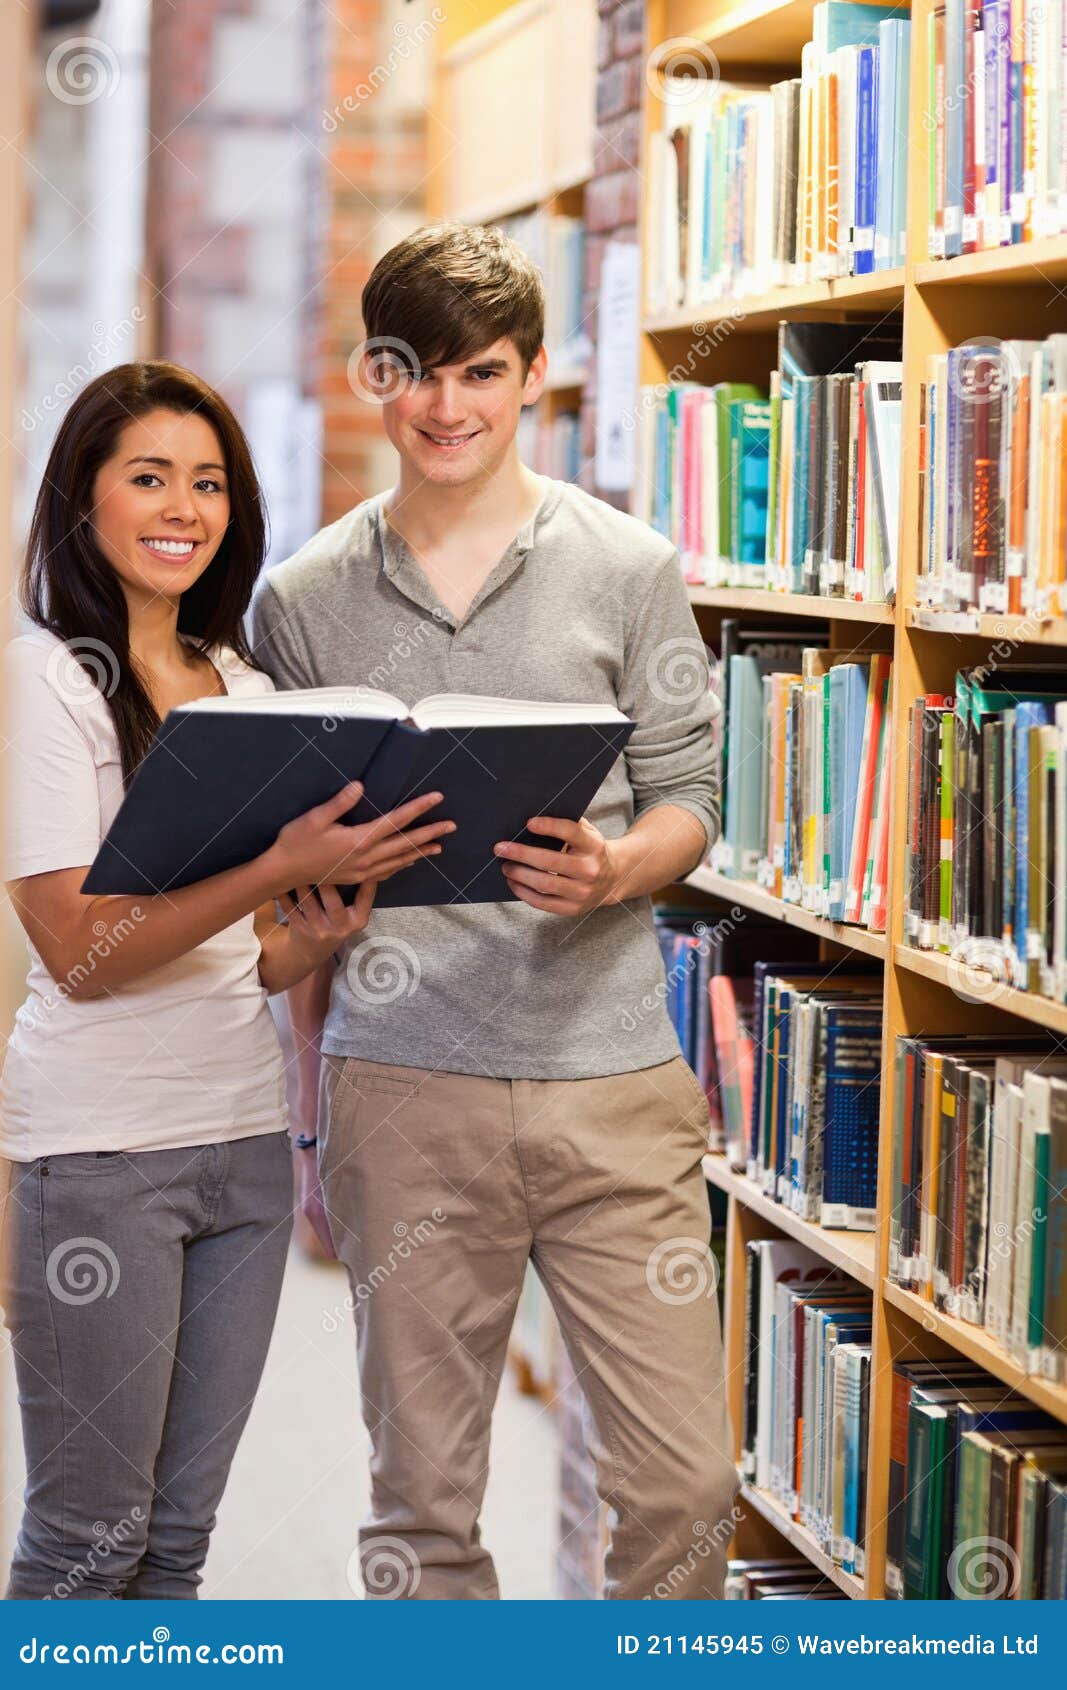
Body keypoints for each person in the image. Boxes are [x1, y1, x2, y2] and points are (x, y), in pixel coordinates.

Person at [249, 222, 739, 1601]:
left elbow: (690, 794)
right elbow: (289, 887)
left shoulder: (626, 566)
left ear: (529, 378)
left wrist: (616, 867)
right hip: (400, 1086)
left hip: (609, 1079)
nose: (446, 407)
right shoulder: (303, 598)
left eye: (479, 372)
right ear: (373, 376)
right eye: (413, 372)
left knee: (684, 1487)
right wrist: (306, 1105)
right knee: (420, 1505)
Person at [0, 360, 453, 1599]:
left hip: (245, 1146)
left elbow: (235, 956)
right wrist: (275, 857)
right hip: (101, 1152)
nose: (181, 506)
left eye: (207, 482)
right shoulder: (43, 682)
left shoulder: (244, 690)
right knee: (85, 1536)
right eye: (147, 476)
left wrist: (313, 918)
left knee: (177, 1541)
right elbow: (76, 950)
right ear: (83, 497)